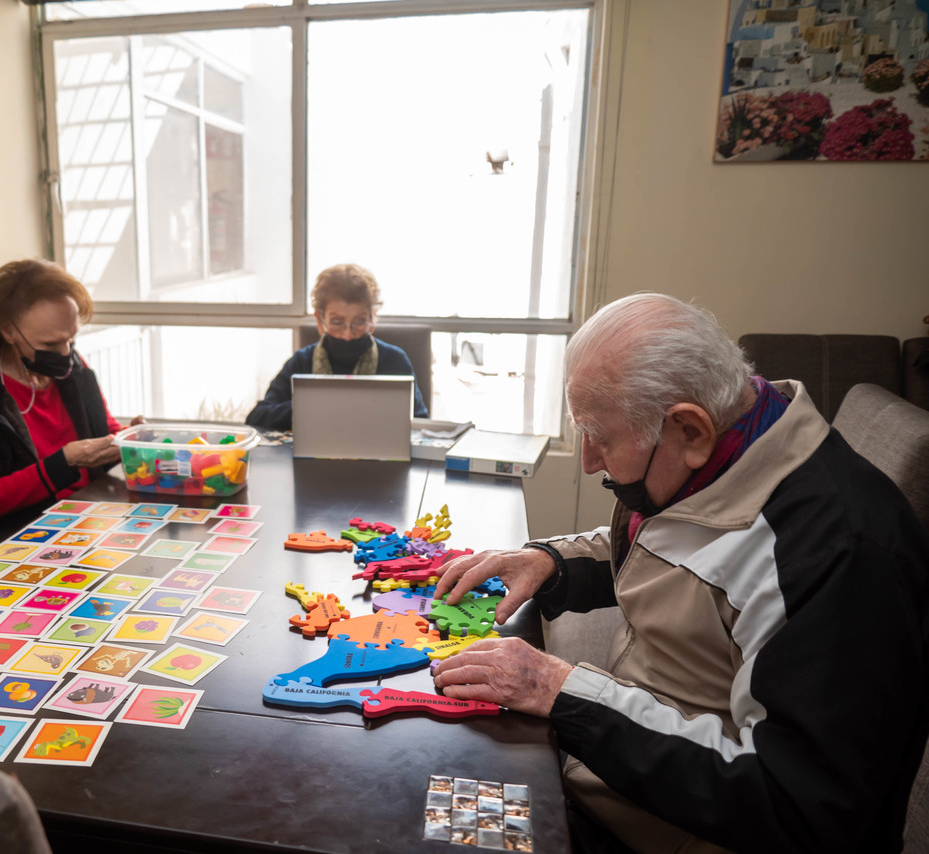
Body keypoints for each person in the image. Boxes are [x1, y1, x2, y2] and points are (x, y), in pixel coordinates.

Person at [432, 293, 929, 853]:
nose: (590, 460)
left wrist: (560, 691)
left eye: (599, 436)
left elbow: (793, 804)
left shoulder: (839, 557)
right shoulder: (742, 435)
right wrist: (552, 562)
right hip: (620, 781)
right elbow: (688, 544)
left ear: (689, 430)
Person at [0, 259, 141, 562]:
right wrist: (64, 463)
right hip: (25, 535)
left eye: (71, 339)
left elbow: (106, 431)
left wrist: (132, 438)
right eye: (50, 344)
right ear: (9, 331)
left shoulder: (68, 364)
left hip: (92, 514)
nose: (66, 353)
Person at [244, 263, 428, 430]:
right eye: (337, 323)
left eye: (359, 322)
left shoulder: (395, 361)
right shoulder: (302, 362)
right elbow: (257, 417)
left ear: (372, 319)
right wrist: (307, 408)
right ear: (320, 321)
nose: (347, 335)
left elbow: (422, 424)